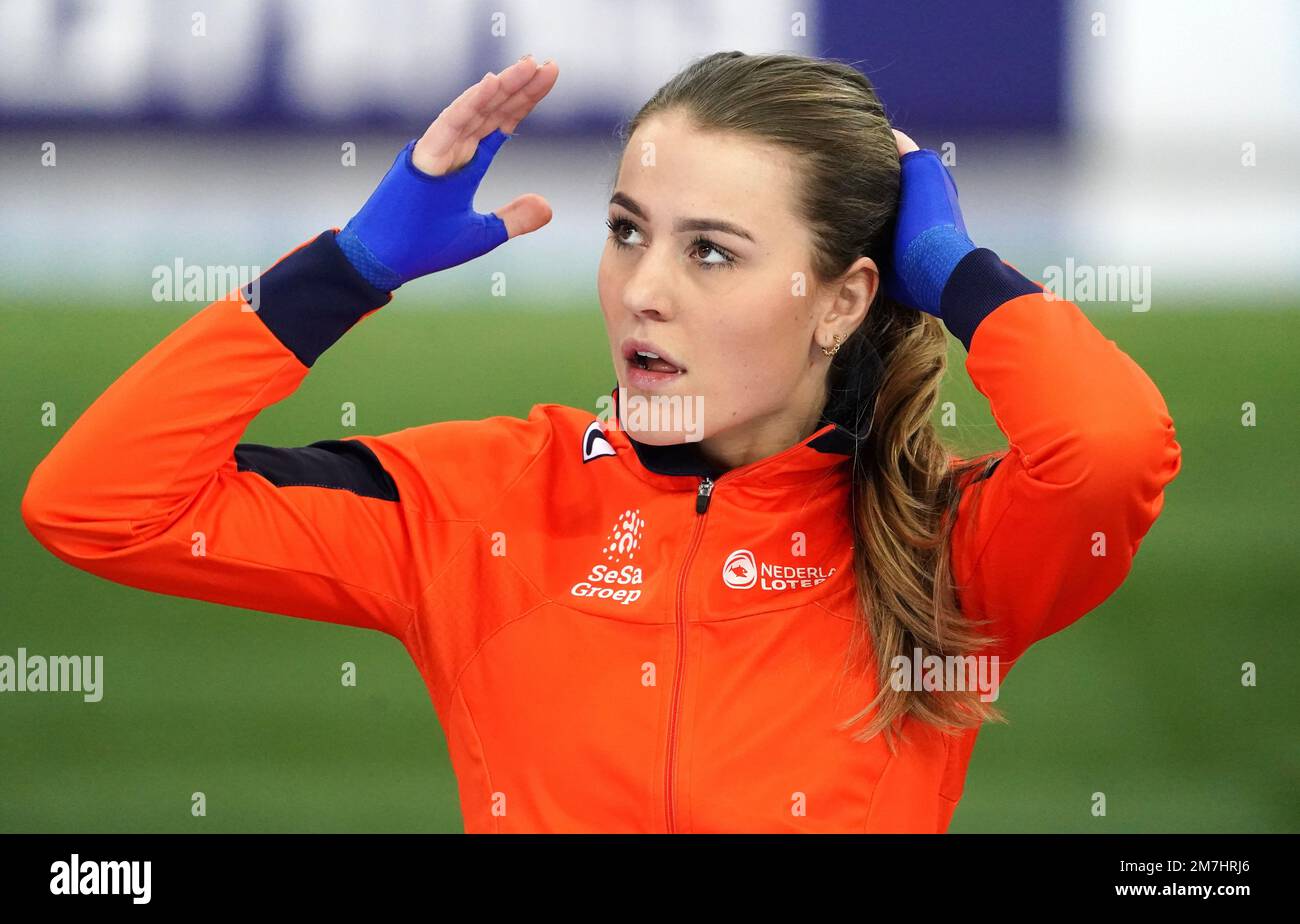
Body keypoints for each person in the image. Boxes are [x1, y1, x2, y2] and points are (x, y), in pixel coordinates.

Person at [21, 51, 1182, 833]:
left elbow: (1112, 443)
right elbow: (98, 504)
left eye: (710, 251)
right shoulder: (481, 502)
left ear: (840, 299)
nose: (642, 290)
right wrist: (343, 273)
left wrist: (961, 279)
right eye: (627, 232)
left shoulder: (950, 547)